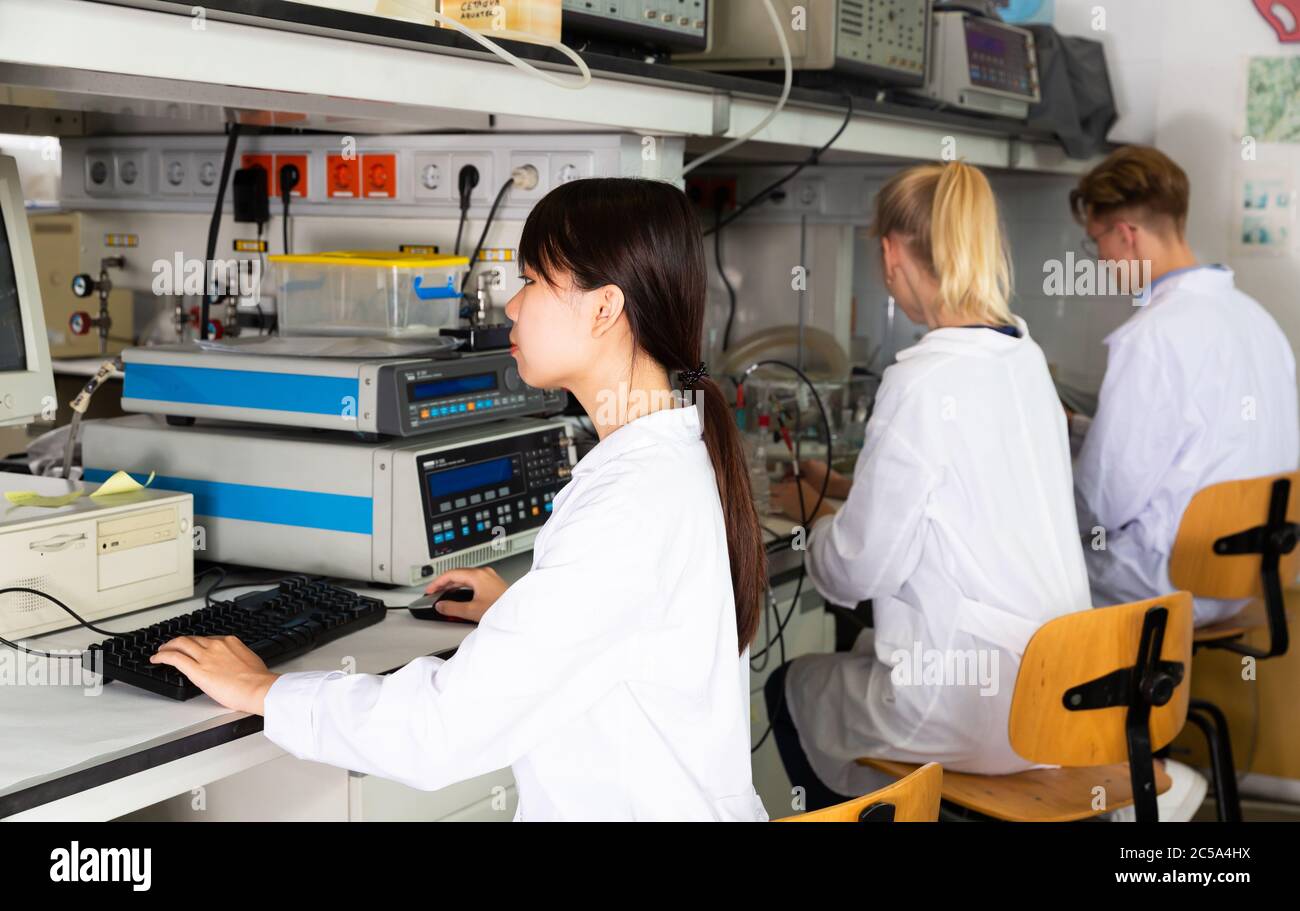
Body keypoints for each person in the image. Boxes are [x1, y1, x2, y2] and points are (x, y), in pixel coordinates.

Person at [148, 178, 770, 822]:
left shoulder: (630, 503)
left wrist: (264, 690)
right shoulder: (673, 455)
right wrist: (521, 611)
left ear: (604, 308)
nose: (512, 307)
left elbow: (442, 730)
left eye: (532, 280)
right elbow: (629, 630)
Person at [766, 160, 1092, 810]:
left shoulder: (921, 379)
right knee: (862, 657)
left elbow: (860, 569)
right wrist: (843, 489)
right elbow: (965, 493)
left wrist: (811, 518)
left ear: (891, 253)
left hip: (977, 702)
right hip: (1063, 684)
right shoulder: (1021, 355)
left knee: (791, 687)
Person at [1070, 145, 1299, 627]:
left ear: (1125, 234)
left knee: (1025, 571)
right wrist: (1086, 429)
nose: (1101, 260)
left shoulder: (1151, 336)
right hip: (1252, 579)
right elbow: (1203, 443)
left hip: (1163, 584)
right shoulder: (1256, 318)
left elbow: (1103, 504)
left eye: (1097, 243)